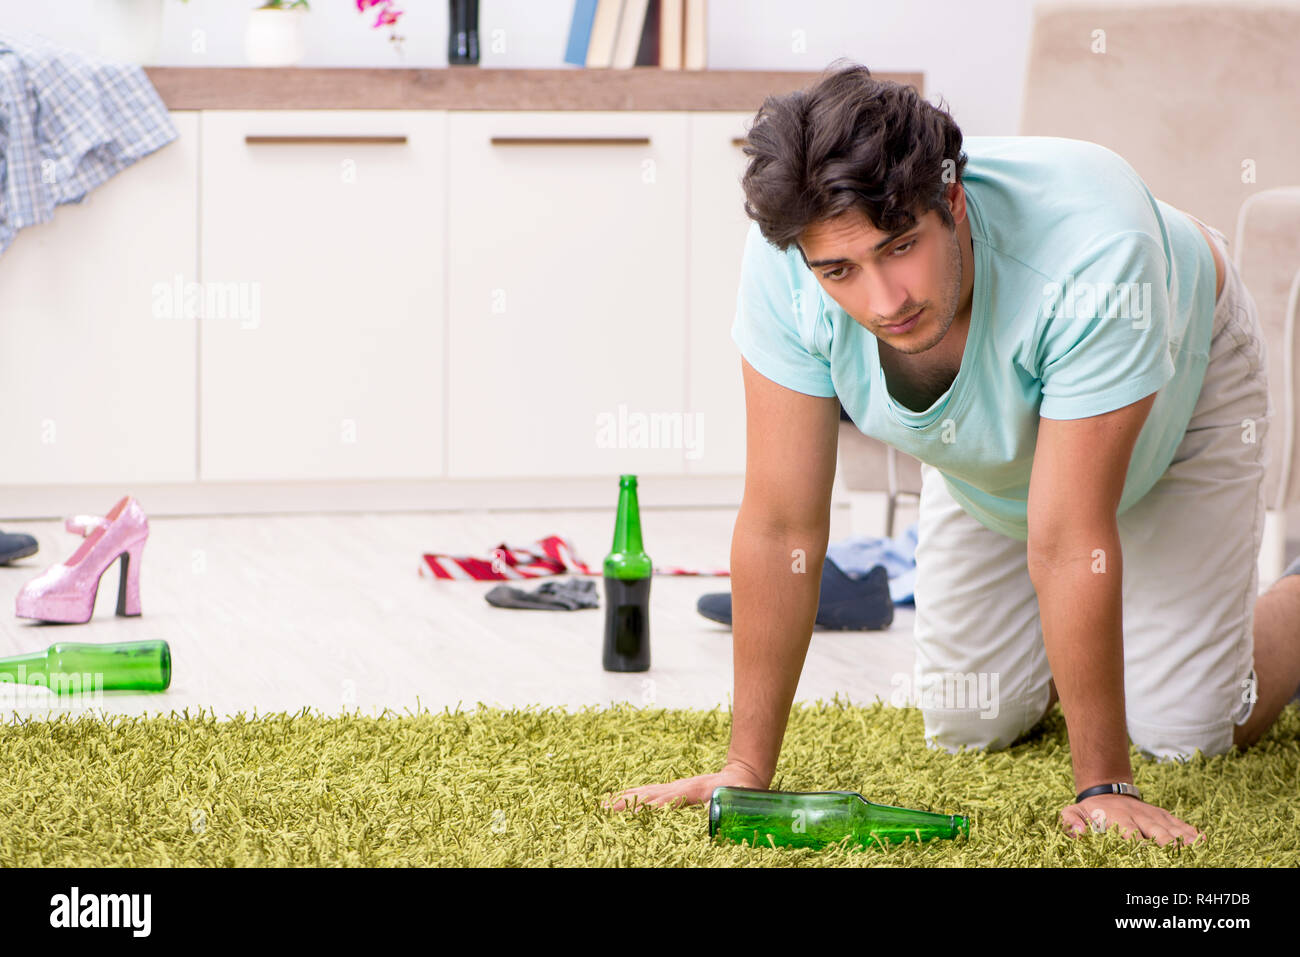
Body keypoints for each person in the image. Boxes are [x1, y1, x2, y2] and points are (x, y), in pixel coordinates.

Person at [602, 62, 1300, 846]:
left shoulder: (1096, 253)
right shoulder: (786, 264)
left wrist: (1104, 785)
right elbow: (781, 525)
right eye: (840, 270)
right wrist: (745, 771)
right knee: (974, 717)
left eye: (899, 247)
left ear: (953, 201)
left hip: (1178, 390)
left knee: (1181, 727)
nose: (884, 301)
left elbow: (1070, 536)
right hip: (993, 449)